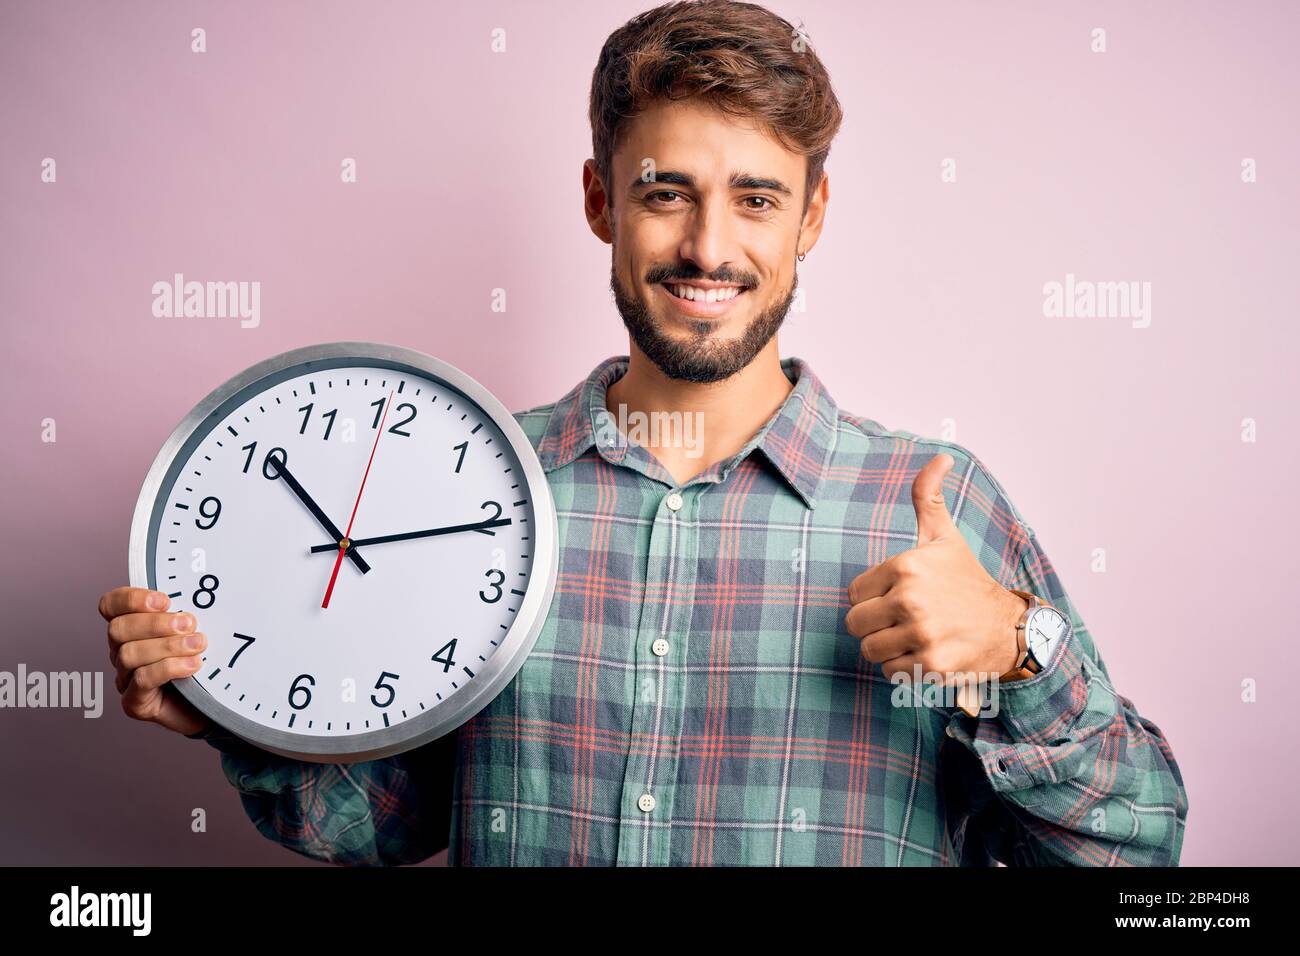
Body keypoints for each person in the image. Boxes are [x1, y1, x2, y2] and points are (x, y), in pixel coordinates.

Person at [97, 0, 1187, 866]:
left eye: (756, 199)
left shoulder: (935, 506)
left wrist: (1016, 648)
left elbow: (1138, 845)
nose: (708, 246)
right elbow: (390, 823)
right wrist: (228, 708)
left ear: (810, 217)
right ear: (599, 201)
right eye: (666, 192)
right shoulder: (464, 484)